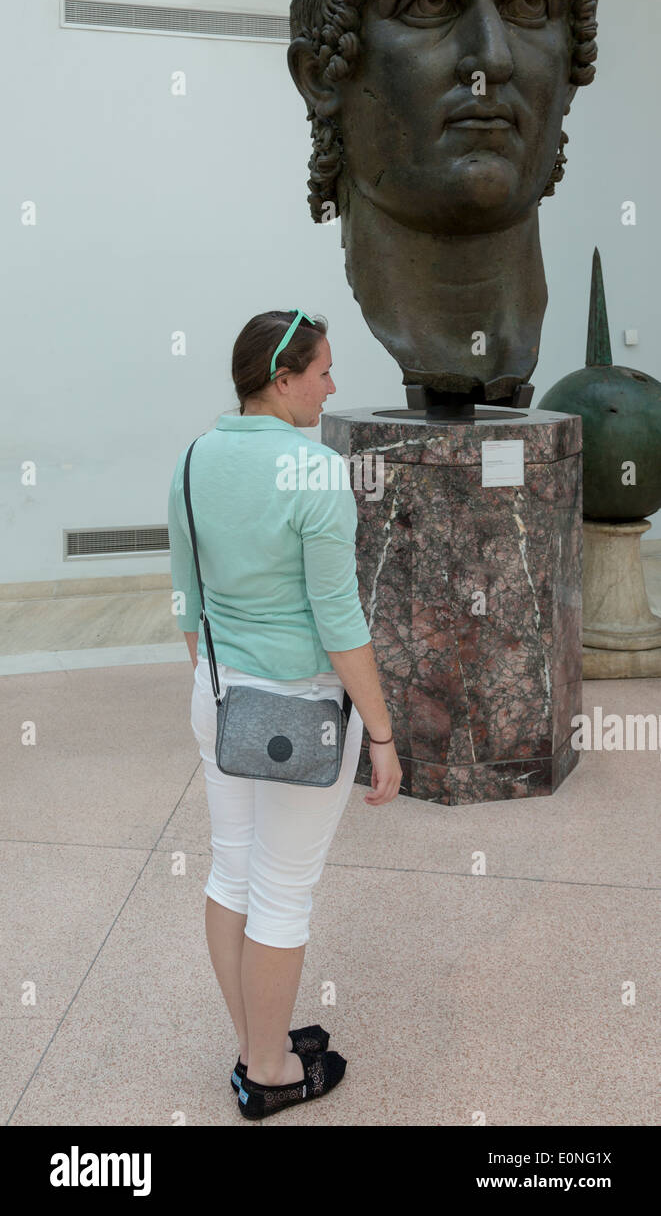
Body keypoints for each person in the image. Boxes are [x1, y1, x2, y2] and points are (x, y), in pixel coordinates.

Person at [167, 308, 402, 1119]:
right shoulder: (314, 469)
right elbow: (339, 625)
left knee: (230, 866)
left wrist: (221, 682)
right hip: (300, 714)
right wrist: (380, 733)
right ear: (281, 378)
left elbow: (185, 601)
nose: (333, 386)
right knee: (282, 890)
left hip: (221, 698)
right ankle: (269, 1071)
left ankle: (253, 1041)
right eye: (324, 371)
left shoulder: (195, 457)